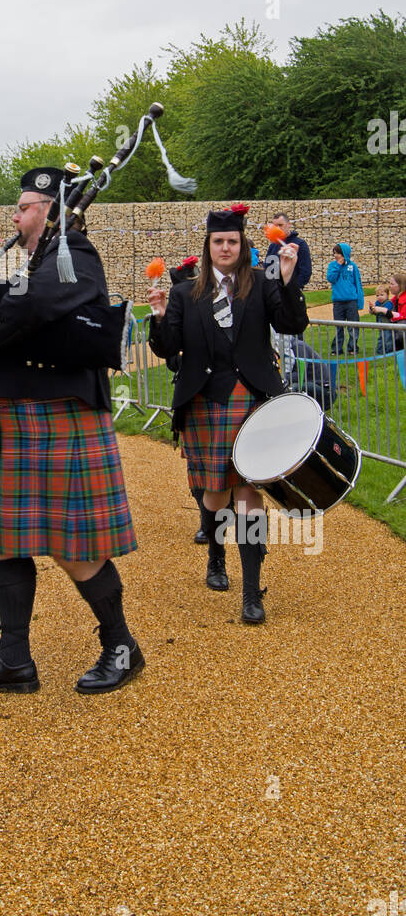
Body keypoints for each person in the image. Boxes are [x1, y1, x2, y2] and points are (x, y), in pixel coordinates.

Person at [0, 166, 142, 696]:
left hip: (61, 418)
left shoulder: (74, 254)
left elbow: (36, 306)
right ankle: (14, 661)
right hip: (18, 420)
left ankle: (121, 648)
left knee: (74, 548)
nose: (14, 215)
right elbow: (28, 333)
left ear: (51, 210)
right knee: (3, 543)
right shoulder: (32, 265)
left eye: (25, 206)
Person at [147, 204, 308, 624]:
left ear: (242, 245)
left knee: (249, 493)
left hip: (253, 399)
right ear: (208, 246)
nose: (225, 248)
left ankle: (252, 591)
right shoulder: (186, 293)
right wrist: (159, 316)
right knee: (216, 494)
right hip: (203, 399)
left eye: (232, 241)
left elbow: (293, 325)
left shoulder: (261, 284)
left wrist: (288, 282)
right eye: (218, 241)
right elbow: (166, 349)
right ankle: (216, 555)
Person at [166, 257, 208, 545]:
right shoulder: (177, 309)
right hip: (193, 394)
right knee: (197, 466)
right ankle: (208, 522)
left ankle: (222, 518)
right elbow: (170, 359)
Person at [326, 243, 364, 356]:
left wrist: (360, 301)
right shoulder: (332, 265)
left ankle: (353, 347)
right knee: (339, 327)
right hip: (338, 302)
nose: (336, 255)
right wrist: (338, 265)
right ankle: (337, 348)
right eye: (335, 253)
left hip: (351, 301)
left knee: (353, 326)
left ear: (344, 254)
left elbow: (358, 283)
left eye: (338, 253)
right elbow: (331, 278)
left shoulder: (353, 266)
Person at [264, 213, 312, 289]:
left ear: (289, 224)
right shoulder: (273, 246)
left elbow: (305, 271)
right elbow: (267, 269)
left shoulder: (300, 244)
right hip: (273, 291)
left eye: (280, 225)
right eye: (275, 226)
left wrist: (294, 288)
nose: (278, 228)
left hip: (292, 291)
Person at [370, 282, 395, 356]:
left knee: (388, 338)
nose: (379, 297)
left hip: (387, 324)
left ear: (387, 295)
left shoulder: (389, 303)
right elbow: (375, 312)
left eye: (382, 295)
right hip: (380, 324)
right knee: (381, 338)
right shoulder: (377, 303)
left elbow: (386, 311)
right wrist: (372, 308)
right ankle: (380, 351)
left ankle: (389, 352)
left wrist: (378, 309)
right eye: (377, 295)